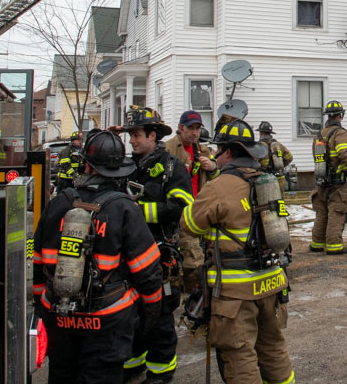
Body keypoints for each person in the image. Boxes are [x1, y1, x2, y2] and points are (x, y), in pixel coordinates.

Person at [32, 130, 164, 384]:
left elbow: (37, 260)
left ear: (86, 165)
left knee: (61, 375)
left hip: (59, 316)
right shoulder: (125, 208)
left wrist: (42, 305)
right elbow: (147, 271)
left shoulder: (58, 204)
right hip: (107, 321)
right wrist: (151, 309)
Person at [180, 119, 294, 384]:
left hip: (235, 292)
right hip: (273, 282)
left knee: (239, 354)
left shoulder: (219, 187)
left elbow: (190, 224)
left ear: (228, 152)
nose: (216, 156)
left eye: (218, 151)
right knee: (273, 347)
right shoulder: (267, 182)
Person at [113, 106, 193, 383]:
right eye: (129, 134)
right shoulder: (124, 167)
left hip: (159, 254)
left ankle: (161, 371)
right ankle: (133, 362)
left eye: (136, 134)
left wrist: (134, 214)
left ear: (152, 134)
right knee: (128, 312)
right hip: (125, 255)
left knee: (158, 315)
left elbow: (183, 206)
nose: (131, 140)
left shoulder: (172, 167)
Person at [163, 110, 219, 292]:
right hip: (179, 211)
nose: (194, 132)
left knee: (206, 251)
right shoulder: (168, 149)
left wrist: (212, 167)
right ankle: (191, 293)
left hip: (200, 209)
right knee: (192, 256)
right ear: (180, 128)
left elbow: (217, 177)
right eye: (190, 128)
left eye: (197, 128)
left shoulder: (204, 150)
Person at [310, 100, 347, 255]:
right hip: (337, 182)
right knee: (336, 212)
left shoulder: (319, 134)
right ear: (340, 116)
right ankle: (334, 245)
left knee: (321, 213)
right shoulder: (340, 133)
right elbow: (344, 153)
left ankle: (317, 243)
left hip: (321, 181)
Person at [257, 121, 294, 191]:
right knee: (280, 199)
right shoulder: (278, 145)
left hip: (264, 178)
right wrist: (280, 165)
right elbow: (289, 158)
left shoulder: (258, 146)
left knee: (265, 199)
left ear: (261, 133)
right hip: (279, 177)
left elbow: (253, 162)